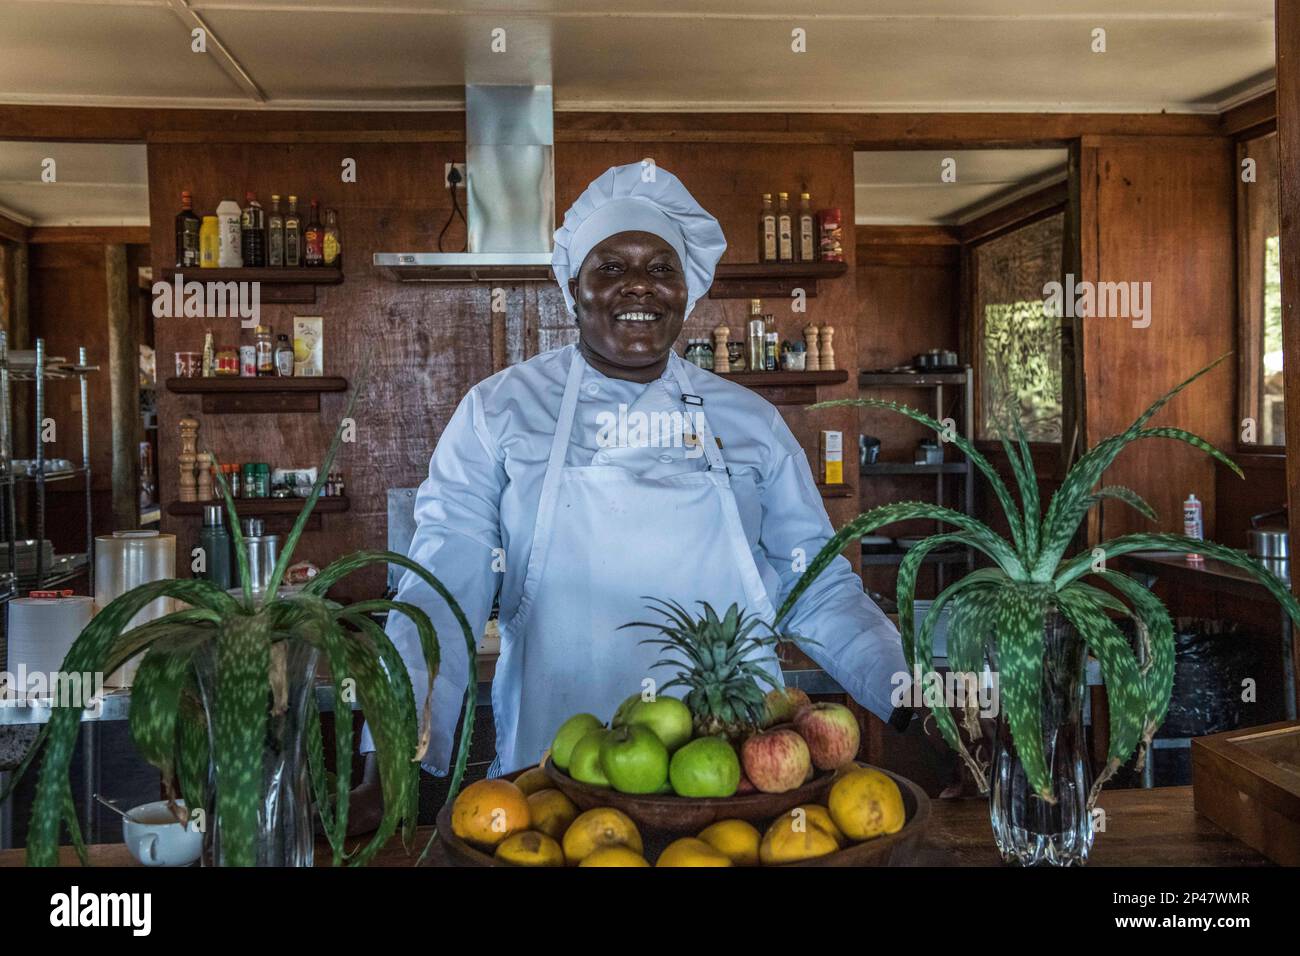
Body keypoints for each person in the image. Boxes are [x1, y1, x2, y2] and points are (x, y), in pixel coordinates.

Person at [349, 163, 908, 829]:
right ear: (573, 288)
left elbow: (816, 585)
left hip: (737, 779)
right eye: (610, 267)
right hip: (554, 783)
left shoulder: (748, 423)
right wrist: (387, 756)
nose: (638, 283)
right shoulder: (499, 413)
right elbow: (439, 591)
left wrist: (911, 690)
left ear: (686, 288)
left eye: (660, 267)